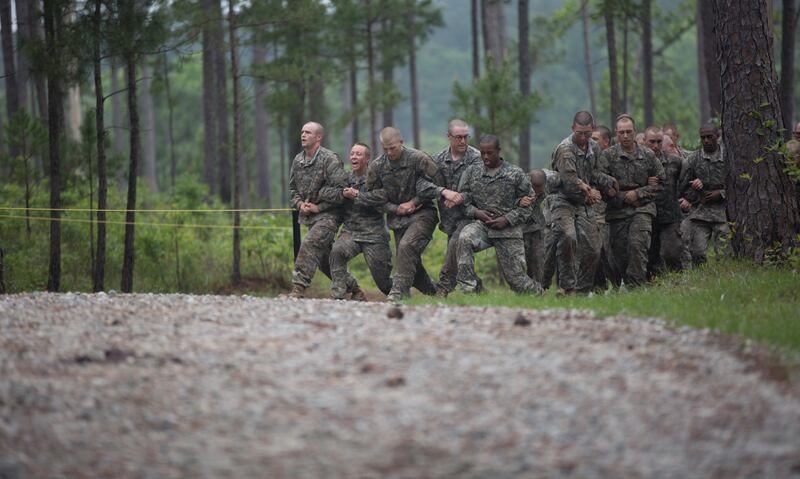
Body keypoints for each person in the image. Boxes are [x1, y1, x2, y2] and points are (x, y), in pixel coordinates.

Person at [361, 127, 448, 301]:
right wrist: (395, 209)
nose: (389, 152)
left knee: (406, 247)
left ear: (401, 142)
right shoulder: (377, 167)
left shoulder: (419, 159)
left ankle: (398, 292)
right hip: (398, 219)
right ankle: (434, 293)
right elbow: (373, 198)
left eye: (392, 148)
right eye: (385, 149)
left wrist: (414, 202)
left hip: (423, 214)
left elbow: (438, 185)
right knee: (409, 260)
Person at [455, 135, 543, 294]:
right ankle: (470, 290)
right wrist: (476, 212)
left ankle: (540, 293)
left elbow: (528, 205)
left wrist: (507, 219)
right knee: (464, 239)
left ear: (498, 151)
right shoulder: (472, 172)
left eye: (490, 153)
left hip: (508, 230)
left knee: (517, 282)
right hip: (483, 226)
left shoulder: (515, 173)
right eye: (482, 153)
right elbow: (462, 200)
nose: (486, 157)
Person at [549, 111, 617, 294]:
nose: (583, 137)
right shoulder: (566, 149)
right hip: (563, 200)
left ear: (592, 129)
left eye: (587, 133)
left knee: (594, 248)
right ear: (573, 129)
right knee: (568, 237)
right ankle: (567, 286)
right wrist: (589, 192)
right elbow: (569, 182)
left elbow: (593, 172)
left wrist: (607, 182)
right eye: (579, 133)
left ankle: (582, 290)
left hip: (584, 203)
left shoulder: (594, 147)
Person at [599, 114, 665, 288]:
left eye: (629, 132)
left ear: (635, 132)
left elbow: (662, 182)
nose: (625, 136)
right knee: (620, 253)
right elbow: (600, 184)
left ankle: (636, 286)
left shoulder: (648, 155)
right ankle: (625, 284)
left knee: (638, 245)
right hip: (617, 212)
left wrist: (639, 193)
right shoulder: (607, 156)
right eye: (622, 132)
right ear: (616, 133)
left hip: (642, 209)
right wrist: (622, 197)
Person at [287, 122, 347, 298]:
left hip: (329, 216)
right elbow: (292, 190)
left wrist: (318, 206)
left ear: (318, 137)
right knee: (324, 261)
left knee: (310, 244)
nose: (303, 135)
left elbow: (341, 192)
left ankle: (297, 288)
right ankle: (354, 289)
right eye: (302, 132)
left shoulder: (330, 159)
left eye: (308, 132)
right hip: (308, 217)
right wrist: (300, 205)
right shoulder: (298, 160)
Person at [329, 143, 393, 300]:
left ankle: (404, 298)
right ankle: (339, 295)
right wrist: (340, 194)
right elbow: (328, 191)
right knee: (336, 252)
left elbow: (384, 196)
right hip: (351, 232)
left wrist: (358, 195)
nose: (353, 157)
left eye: (358, 154)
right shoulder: (345, 178)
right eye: (352, 154)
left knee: (384, 283)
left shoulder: (377, 177)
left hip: (375, 235)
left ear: (367, 158)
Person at [431, 119, 482, 297]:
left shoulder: (476, 158)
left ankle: (443, 287)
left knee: (455, 245)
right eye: (458, 137)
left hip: (469, 215)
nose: (463, 141)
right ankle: (478, 287)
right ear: (449, 137)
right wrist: (444, 192)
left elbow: (482, 189)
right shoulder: (438, 159)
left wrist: (461, 197)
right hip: (448, 218)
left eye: (466, 137)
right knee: (459, 256)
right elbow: (424, 184)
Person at [679, 123, 729, 265]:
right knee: (697, 252)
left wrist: (721, 193)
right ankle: (701, 279)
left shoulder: (728, 157)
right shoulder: (693, 159)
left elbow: (739, 185)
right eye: (703, 138)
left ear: (717, 137)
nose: (706, 140)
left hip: (724, 213)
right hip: (701, 214)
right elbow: (682, 189)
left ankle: (725, 278)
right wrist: (696, 189)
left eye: (709, 137)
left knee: (725, 254)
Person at [643, 126, 688, 276]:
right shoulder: (638, 162)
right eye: (652, 142)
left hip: (670, 216)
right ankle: (655, 285)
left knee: (672, 252)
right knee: (650, 256)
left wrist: (688, 199)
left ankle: (677, 280)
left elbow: (687, 181)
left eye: (659, 142)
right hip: (647, 215)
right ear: (644, 141)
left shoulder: (675, 161)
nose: (656, 146)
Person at [521, 169, 548, 284]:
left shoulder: (552, 182)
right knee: (523, 258)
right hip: (520, 227)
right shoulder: (519, 184)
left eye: (539, 190)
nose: (536, 193)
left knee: (538, 256)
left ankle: (539, 286)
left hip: (537, 226)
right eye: (534, 190)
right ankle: (524, 286)